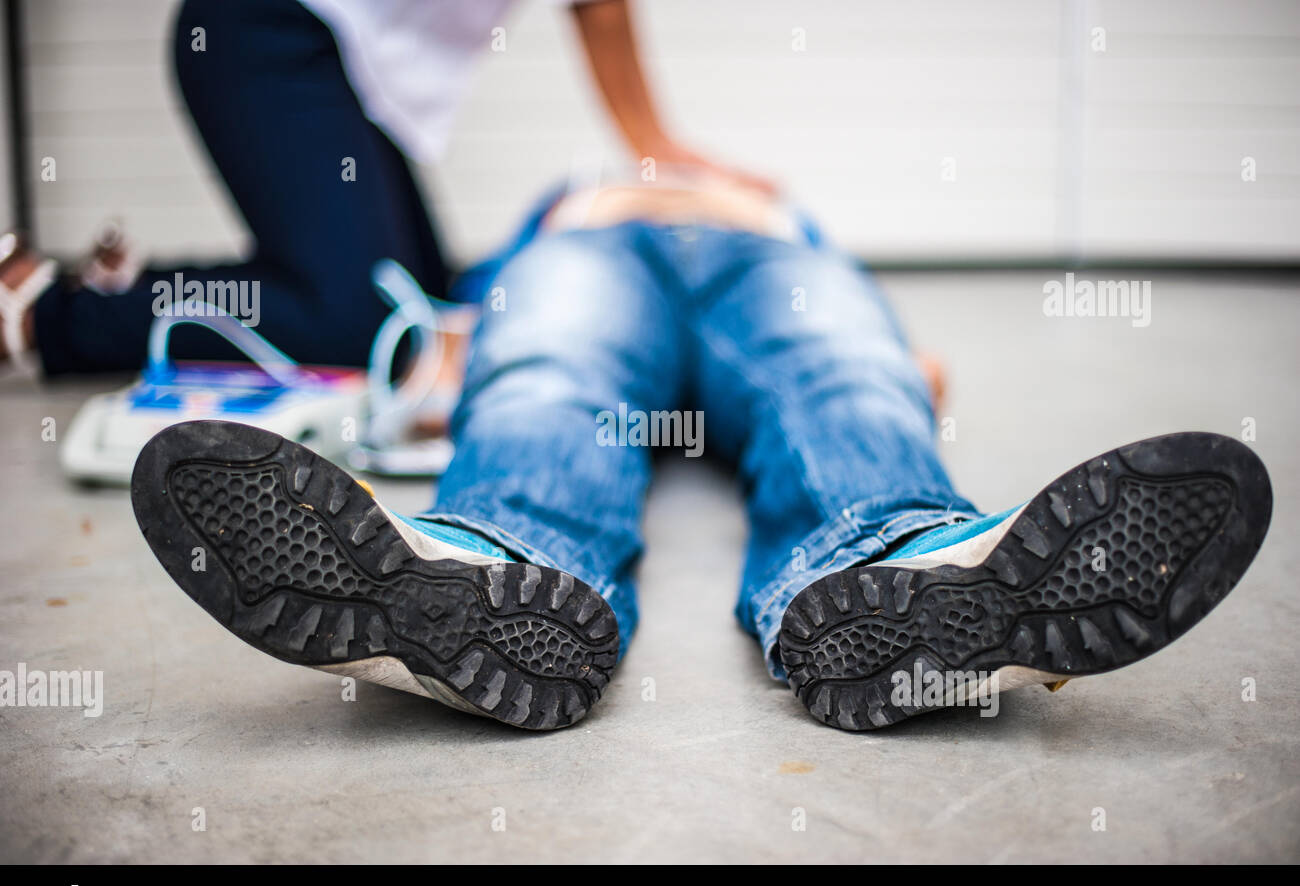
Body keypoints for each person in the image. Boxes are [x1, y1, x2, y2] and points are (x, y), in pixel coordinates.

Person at [128, 176, 1273, 731]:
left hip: (762, 264)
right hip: (586, 260)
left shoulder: (778, 212)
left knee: (841, 376)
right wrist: (455, 370)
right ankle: (467, 573)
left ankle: (918, 565)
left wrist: (900, 371)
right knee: (549, 377)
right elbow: (477, 352)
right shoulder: (560, 218)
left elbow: (886, 366)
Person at [0, 0, 766, 376]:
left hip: (349, 71)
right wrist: (655, 153)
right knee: (370, 322)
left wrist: (658, 152)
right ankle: (52, 316)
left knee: (423, 306)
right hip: (263, 31)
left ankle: (137, 286)